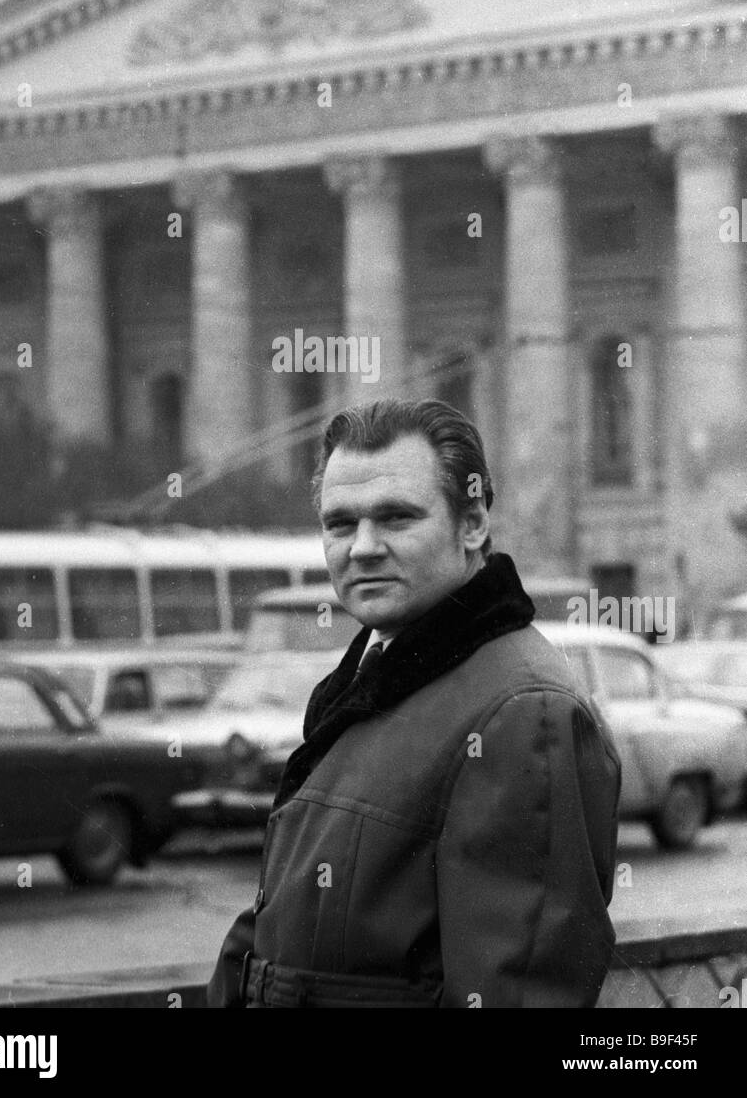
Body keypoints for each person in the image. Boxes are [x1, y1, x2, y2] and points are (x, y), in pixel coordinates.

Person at [207, 399, 621, 1008]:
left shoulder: (524, 712)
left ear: (472, 524)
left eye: (396, 518)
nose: (362, 547)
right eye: (340, 524)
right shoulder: (375, 675)